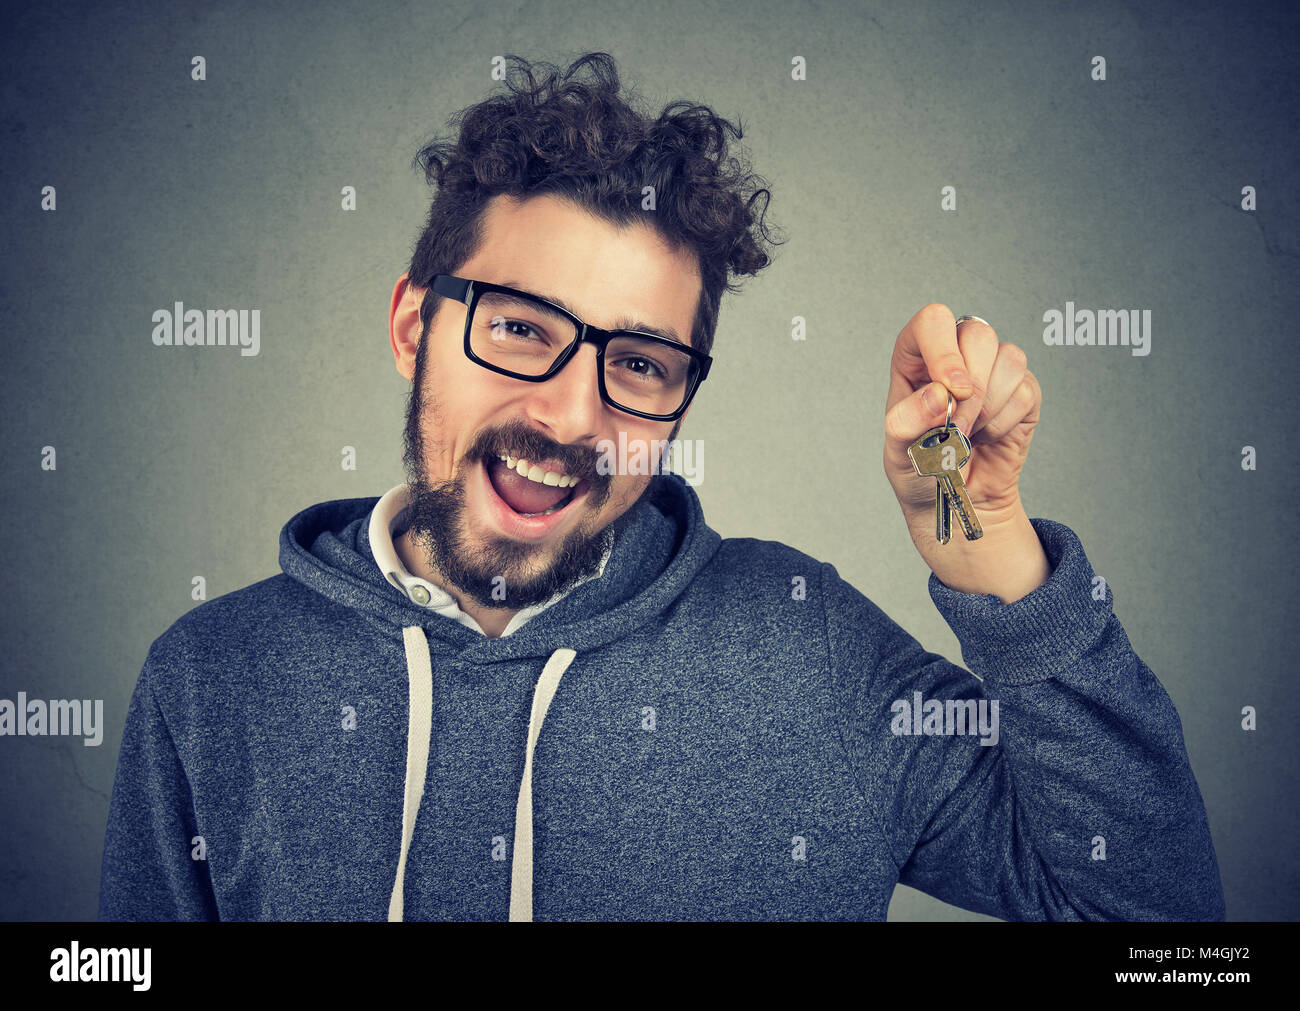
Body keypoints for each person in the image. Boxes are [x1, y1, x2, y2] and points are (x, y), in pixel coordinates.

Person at [98, 52, 1224, 922]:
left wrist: (989, 557)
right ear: (413, 327)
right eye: (521, 328)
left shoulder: (811, 651)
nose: (572, 415)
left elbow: (1161, 931)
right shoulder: (211, 677)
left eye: (636, 364)